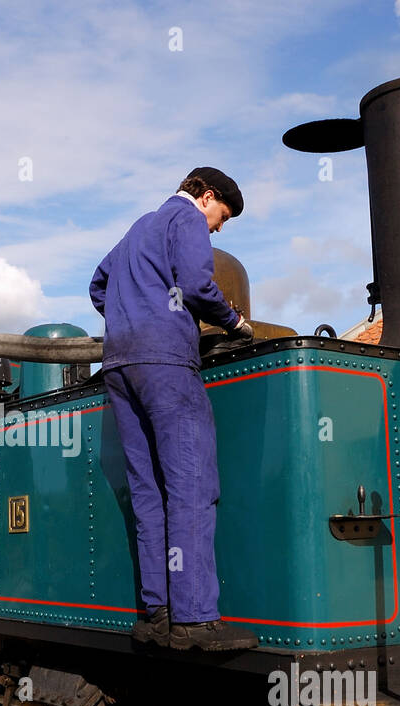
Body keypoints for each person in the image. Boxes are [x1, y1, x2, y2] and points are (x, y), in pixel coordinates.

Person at [90, 166, 258, 652]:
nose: (218, 228)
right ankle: (195, 620)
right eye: (221, 217)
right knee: (190, 485)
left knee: (148, 492)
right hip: (166, 361)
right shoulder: (184, 221)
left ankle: (156, 615)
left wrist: (133, 314)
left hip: (119, 365)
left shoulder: (137, 228)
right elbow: (197, 285)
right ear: (205, 197)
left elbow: (97, 286)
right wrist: (236, 322)